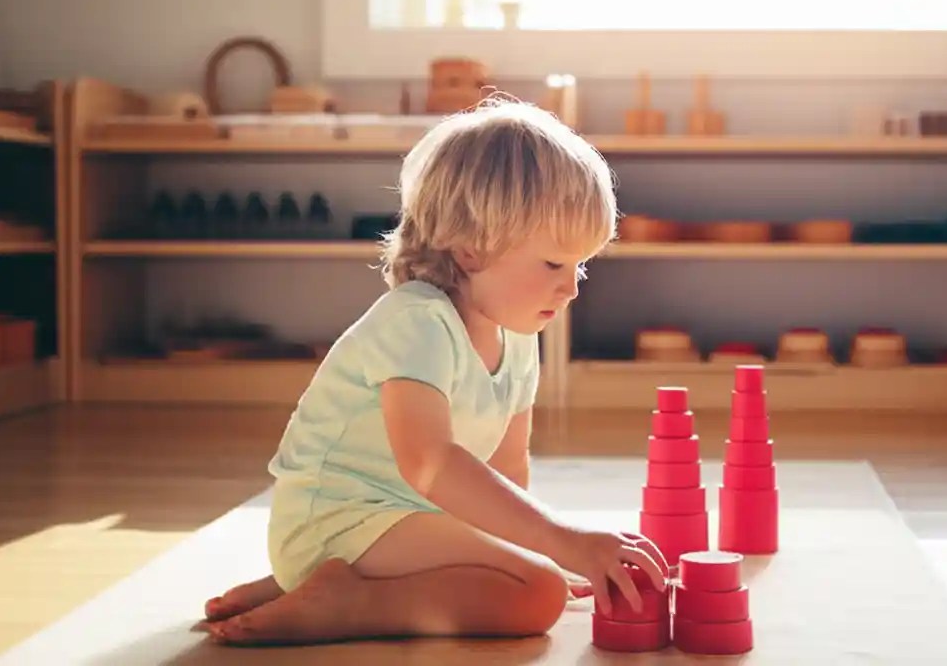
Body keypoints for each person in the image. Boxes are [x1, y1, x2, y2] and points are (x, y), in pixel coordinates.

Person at [199, 98, 665, 645]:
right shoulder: (418, 322)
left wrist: (527, 551)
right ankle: (346, 598)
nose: (573, 285)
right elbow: (430, 464)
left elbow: (507, 472)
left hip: (397, 522)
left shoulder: (517, 340)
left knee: (536, 576)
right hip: (337, 519)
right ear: (470, 250)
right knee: (537, 596)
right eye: (552, 263)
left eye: (580, 264)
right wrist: (563, 543)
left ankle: (305, 581)